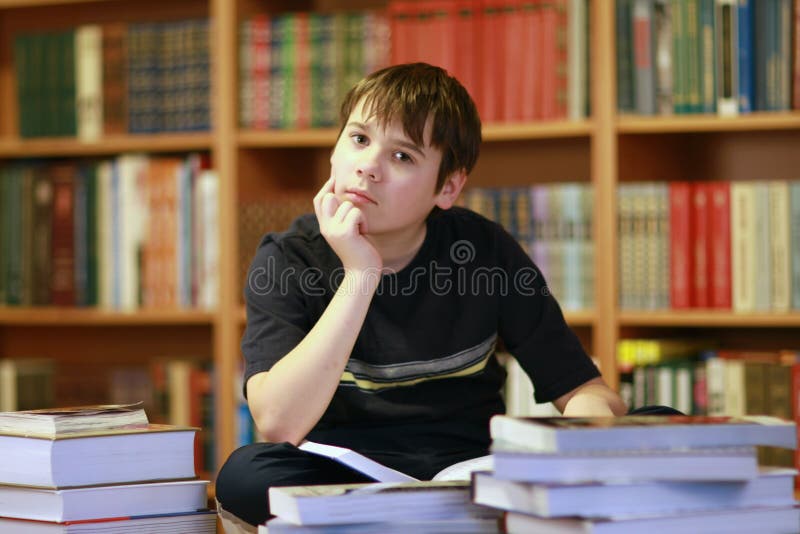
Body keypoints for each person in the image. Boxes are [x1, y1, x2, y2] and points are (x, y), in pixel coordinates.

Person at [215, 62, 629, 531]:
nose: (368, 166)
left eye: (403, 157)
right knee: (246, 474)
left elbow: (582, 390)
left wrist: (588, 439)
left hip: (472, 469)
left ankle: (410, 521)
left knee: (664, 427)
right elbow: (278, 423)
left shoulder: (485, 252)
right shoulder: (289, 258)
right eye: (359, 139)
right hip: (346, 474)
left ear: (448, 187)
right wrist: (361, 274)